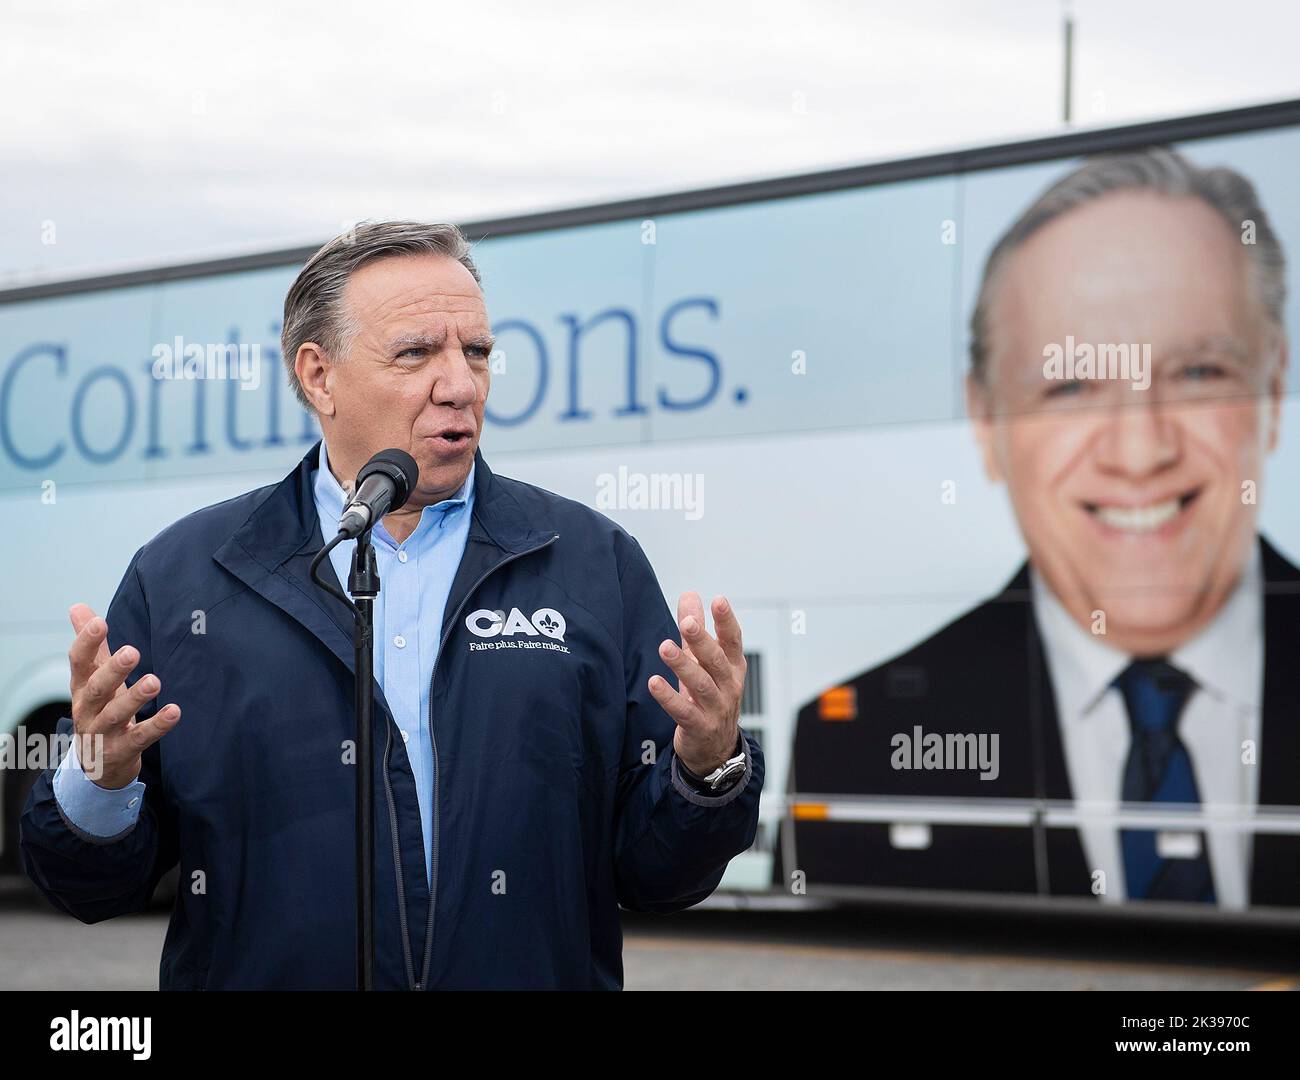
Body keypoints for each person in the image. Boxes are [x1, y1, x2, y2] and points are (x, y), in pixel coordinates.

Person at [21, 221, 763, 989]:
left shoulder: (588, 562)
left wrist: (706, 772)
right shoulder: (186, 578)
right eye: (416, 353)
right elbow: (88, 890)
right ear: (319, 376)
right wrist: (100, 781)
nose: (461, 384)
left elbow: (658, 878)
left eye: (476, 352)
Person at [786, 148, 1299, 909]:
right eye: (1071, 385)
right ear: (987, 423)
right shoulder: (858, 743)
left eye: (1198, 374)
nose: (1139, 451)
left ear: (1274, 389)